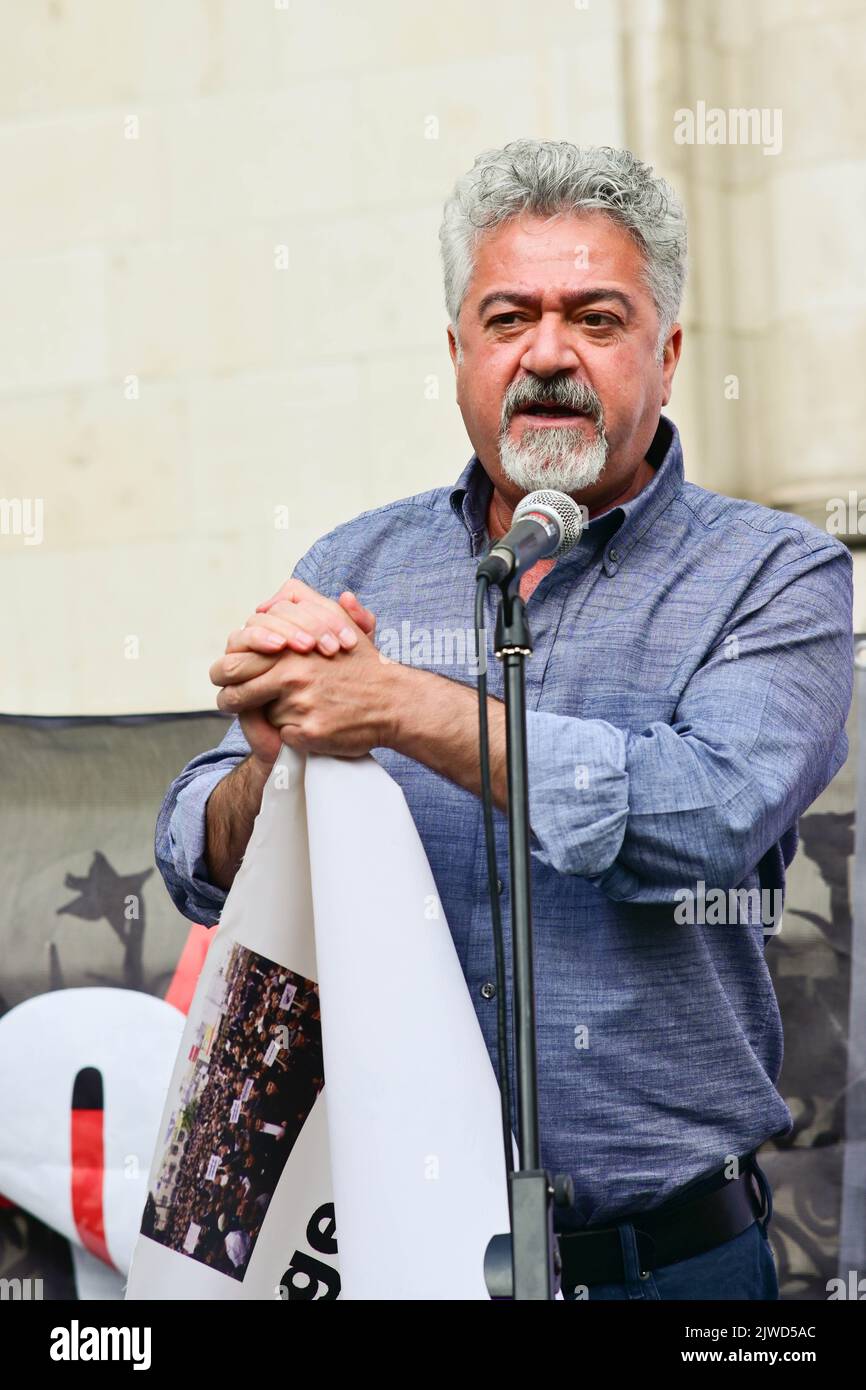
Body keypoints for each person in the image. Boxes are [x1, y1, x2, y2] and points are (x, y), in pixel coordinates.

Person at [155, 140, 853, 1299]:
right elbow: (193, 852)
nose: (545, 354)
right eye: (506, 318)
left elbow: (708, 814)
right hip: (381, 1249)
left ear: (666, 353)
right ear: (455, 352)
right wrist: (267, 780)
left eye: (593, 317)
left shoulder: (774, 574)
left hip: (665, 1263)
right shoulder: (354, 562)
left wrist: (402, 706)